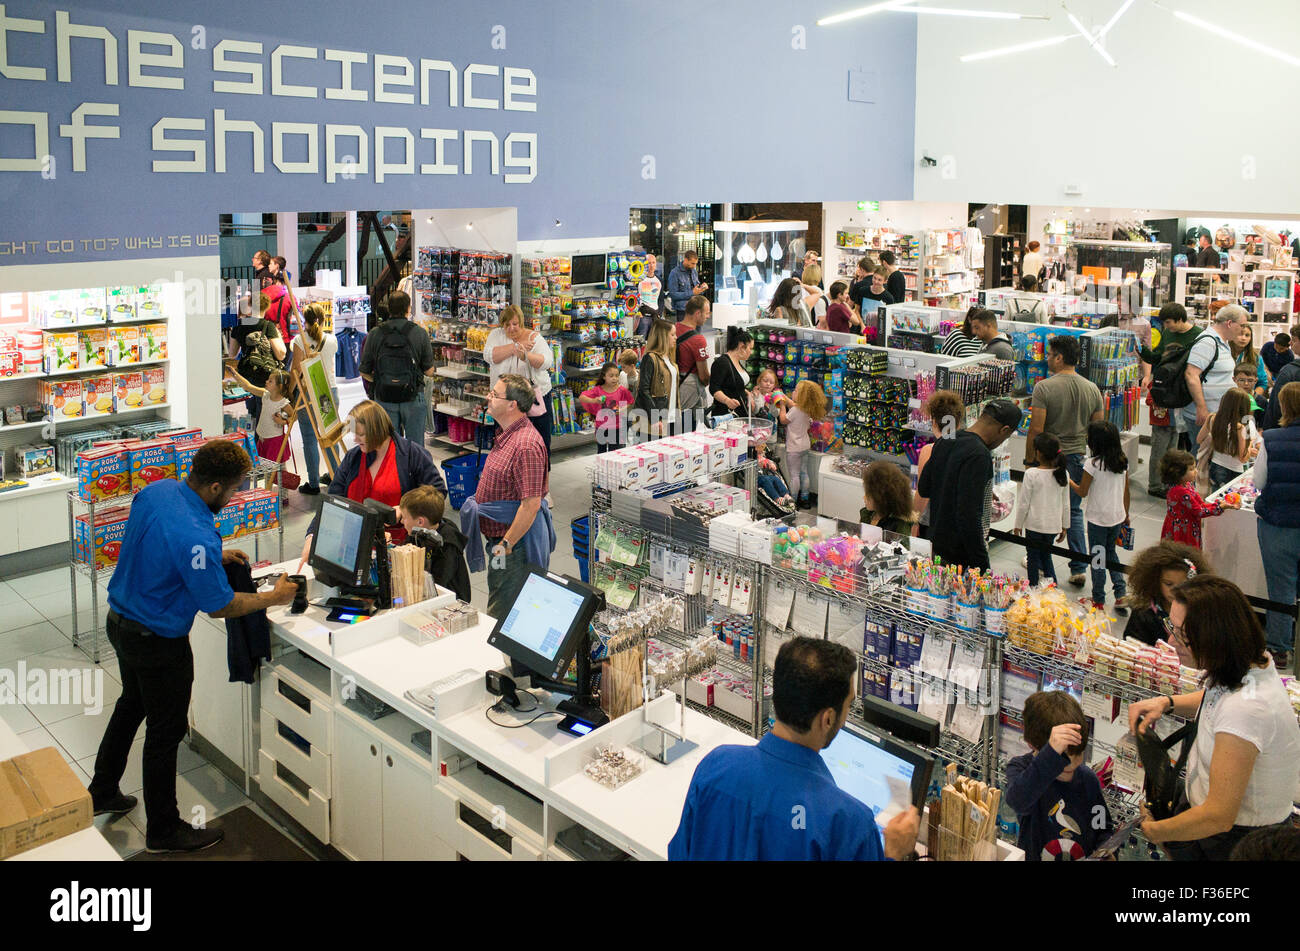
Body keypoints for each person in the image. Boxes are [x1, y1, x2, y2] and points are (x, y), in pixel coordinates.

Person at [89, 441, 297, 853]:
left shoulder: (159, 490)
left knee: (131, 703)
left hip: (120, 622)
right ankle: (164, 830)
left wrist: (213, 558)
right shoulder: (197, 536)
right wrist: (272, 597)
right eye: (234, 489)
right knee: (166, 733)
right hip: (158, 641)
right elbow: (219, 605)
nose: (235, 496)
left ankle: (102, 790)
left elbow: (162, 546)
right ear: (215, 486)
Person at [668, 637, 919, 861]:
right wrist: (893, 854)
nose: (845, 720)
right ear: (828, 719)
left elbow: (679, 853)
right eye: (848, 707)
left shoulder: (715, 766)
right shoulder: (848, 825)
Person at [1131, 576, 1300, 860]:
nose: (1171, 641)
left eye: (1181, 633)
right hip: (1212, 826)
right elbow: (1218, 699)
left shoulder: (1247, 710)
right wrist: (1168, 703)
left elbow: (1218, 816)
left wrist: (1156, 831)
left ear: (1213, 637)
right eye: (1170, 626)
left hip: (1233, 842)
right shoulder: (1246, 663)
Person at [297, 400, 447, 567]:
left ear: (376, 430)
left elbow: (437, 493)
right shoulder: (353, 458)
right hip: (355, 549)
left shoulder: (411, 454)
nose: (355, 439)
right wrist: (312, 536)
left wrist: (404, 509)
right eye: (354, 433)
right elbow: (332, 500)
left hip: (403, 551)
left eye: (360, 435)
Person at [460, 374, 554, 621]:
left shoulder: (526, 445)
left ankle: (503, 658)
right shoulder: (507, 434)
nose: (488, 397)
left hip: (514, 546)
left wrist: (506, 544)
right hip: (500, 543)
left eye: (495, 394)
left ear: (512, 404)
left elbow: (531, 504)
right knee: (500, 589)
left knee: (502, 607)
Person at [1023, 334, 1105, 586]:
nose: (1047, 358)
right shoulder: (1092, 388)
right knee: (1074, 512)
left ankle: (1038, 560)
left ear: (1059, 357)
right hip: (1078, 458)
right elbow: (1099, 427)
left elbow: (1036, 428)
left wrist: (1029, 460)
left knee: (1041, 510)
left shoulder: (1044, 387)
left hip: (1049, 459)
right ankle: (1078, 566)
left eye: (1049, 355)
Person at [1004, 690, 1110, 862]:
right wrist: (1051, 755)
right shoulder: (1022, 769)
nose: (1072, 763)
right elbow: (1018, 801)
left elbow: (1102, 828)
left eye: (1078, 753)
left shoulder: (1088, 778)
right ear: (1034, 746)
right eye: (1062, 758)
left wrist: (1107, 851)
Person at [917, 399, 1023, 571]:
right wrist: (982, 564)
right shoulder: (980, 455)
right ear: (1004, 430)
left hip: (935, 543)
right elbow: (968, 517)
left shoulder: (946, 439)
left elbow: (924, 487)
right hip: (960, 555)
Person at [1254, 381, 1300, 667]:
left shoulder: (1271, 439)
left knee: (1281, 587)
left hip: (1278, 524)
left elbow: (1259, 481)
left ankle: (1280, 649)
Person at [359, 290, 436, 445]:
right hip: (413, 397)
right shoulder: (419, 333)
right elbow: (429, 370)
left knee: (389, 448)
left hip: (385, 398)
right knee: (415, 450)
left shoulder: (375, 333)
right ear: (409, 308)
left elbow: (364, 371)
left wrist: (380, 379)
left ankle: (393, 470)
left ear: (389, 308)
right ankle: (413, 470)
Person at [1068, 420, 1130, 613]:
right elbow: (1126, 491)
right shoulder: (1122, 461)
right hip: (1117, 515)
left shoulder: (1092, 464)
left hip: (1097, 519)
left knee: (1097, 558)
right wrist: (1126, 514)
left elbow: (1082, 491)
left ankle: (1098, 599)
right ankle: (1121, 594)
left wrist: (1068, 480)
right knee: (1110, 553)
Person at [1141, 303, 1202, 497]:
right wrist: (1141, 350)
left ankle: (1170, 482)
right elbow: (1158, 357)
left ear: (1179, 319)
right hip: (1165, 393)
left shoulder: (1199, 336)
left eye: (1168, 322)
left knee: (1174, 440)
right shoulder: (1168, 333)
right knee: (1160, 439)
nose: (1166, 327)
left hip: (1185, 396)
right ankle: (1155, 485)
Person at [485, 304, 556, 459]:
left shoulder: (534, 338)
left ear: (521, 323)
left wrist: (525, 356)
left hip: (533, 399)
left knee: (539, 442)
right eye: (507, 325)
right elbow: (489, 355)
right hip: (505, 401)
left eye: (515, 324)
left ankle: (542, 479)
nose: (511, 328)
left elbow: (546, 362)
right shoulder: (496, 335)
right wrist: (514, 348)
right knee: (505, 442)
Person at [291, 302, 340, 495]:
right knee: (331, 437)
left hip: (308, 392)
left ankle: (312, 483)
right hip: (329, 390)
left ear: (306, 320)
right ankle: (335, 476)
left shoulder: (299, 340)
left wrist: (289, 391)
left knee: (309, 438)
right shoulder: (332, 340)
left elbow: (295, 370)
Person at [1122, 541, 1209, 646]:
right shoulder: (1143, 613)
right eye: (1168, 584)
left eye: (1183, 585)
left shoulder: (1199, 611)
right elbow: (1131, 646)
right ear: (1156, 581)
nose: (1175, 591)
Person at [1013, 433, 1070, 588]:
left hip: (1034, 525)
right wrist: (1065, 526)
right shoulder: (1063, 473)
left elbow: (1024, 503)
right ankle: (1053, 589)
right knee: (1046, 556)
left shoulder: (1031, 474)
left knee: (1033, 558)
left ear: (1039, 452)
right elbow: (1066, 504)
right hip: (1052, 526)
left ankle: (1033, 589)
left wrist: (1017, 525)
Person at [396, 485, 471, 602]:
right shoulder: (416, 533)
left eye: (404, 518)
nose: (401, 521)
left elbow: (438, 583)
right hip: (425, 594)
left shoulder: (447, 544)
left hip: (449, 601)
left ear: (420, 521)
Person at [223, 366, 293, 490]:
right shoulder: (265, 395)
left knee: (278, 471)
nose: (266, 381)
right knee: (268, 470)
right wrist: (234, 373)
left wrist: (283, 421)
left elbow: (294, 416)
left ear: (280, 386)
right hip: (263, 438)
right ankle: (269, 492)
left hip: (275, 441)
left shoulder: (283, 403)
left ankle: (281, 495)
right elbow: (248, 386)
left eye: (270, 381)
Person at [1184, 304, 1246, 440]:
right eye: (1241, 325)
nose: (1242, 330)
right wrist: (1201, 407)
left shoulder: (1223, 342)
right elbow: (1191, 374)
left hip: (1215, 414)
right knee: (1201, 456)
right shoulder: (1208, 342)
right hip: (1204, 415)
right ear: (1229, 323)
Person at [912, 389, 964, 540]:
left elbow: (922, 493)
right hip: (957, 523)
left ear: (933, 421)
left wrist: (914, 522)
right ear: (958, 422)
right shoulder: (968, 450)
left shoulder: (929, 451)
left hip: (933, 523)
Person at [1159, 449, 1238, 548]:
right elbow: (1199, 511)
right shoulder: (1181, 491)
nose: (1196, 471)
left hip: (1186, 526)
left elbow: (1200, 504)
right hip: (1183, 531)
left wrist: (1218, 504)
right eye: (1191, 469)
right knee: (1183, 554)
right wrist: (1220, 507)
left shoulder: (1186, 485)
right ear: (1178, 473)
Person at [1200, 387, 1257, 492]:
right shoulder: (1243, 426)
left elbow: (1199, 439)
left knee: (1217, 499)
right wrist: (1250, 444)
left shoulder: (1213, 418)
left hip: (1215, 465)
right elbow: (1243, 458)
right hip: (1235, 470)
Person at [785, 380, 828, 510]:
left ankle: (793, 499)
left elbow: (783, 419)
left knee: (794, 474)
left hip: (793, 447)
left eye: (796, 390)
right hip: (805, 445)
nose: (793, 392)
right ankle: (805, 499)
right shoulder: (808, 410)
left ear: (802, 396)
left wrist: (782, 406)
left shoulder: (794, 410)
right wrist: (786, 400)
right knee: (804, 472)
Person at [633, 320, 678, 439]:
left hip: (670, 416)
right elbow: (644, 389)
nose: (676, 337)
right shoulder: (650, 358)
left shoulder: (670, 358)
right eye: (672, 335)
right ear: (662, 336)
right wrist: (654, 418)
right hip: (653, 418)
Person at [674, 295, 712, 430]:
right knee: (687, 433)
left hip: (672, 388)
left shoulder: (672, 329)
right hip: (688, 392)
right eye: (706, 313)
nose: (708, 316)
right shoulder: (698, 340)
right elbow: (703, 376)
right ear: (697, 313)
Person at [578, 362, 633, 452]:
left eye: (616, 375)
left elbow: (630, 401)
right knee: (601, 452)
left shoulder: (622, 390)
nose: (614, 378)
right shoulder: (598, 390)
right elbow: (582, 397)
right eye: (611, 376)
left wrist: (621, 409)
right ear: (604, 376)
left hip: (617, 427)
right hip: (601, 427)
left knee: (615, 453)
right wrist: (594, 400)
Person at [708, 327, 754, 419]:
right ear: (741, 346)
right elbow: (714, 388)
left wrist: (748, 394)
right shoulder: (722, 363)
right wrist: (727, 401)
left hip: (740, 413)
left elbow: (734, 384)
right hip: (725, 414)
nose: (751, 352)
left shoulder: (737, 361)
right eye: (750, 348)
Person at [859, 461, 915, 536]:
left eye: (869, 495)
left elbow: (902, 546)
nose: (864, 497)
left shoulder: (899, 523)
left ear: (881, 499)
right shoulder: (866, 514)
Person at [1262, 324, 1300, 429]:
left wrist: (1268, 431)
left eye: (1294, 340)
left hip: (1285, 429)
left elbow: (1276, 406)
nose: (1290, 343)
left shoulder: (1289, 371)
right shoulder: (1267, 347)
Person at [666, 250, 707, 318]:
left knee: (697, 329)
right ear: (685, 260)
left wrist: (702, 288)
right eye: (692, 263)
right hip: (683, 310)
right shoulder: (675, 273)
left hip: (696, 308)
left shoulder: (694, 271)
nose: (694, 266)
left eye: (695, 263)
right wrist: (692, 293)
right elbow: (673, 294)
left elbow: (696, 289)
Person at [635, 253, 664, 334]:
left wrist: (659, 314)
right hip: (642, 316)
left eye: (653, 263)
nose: (651, 265)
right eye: (648, 263)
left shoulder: (659, 280)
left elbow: (661, 299)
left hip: (655, 316)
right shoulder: (638, 279)